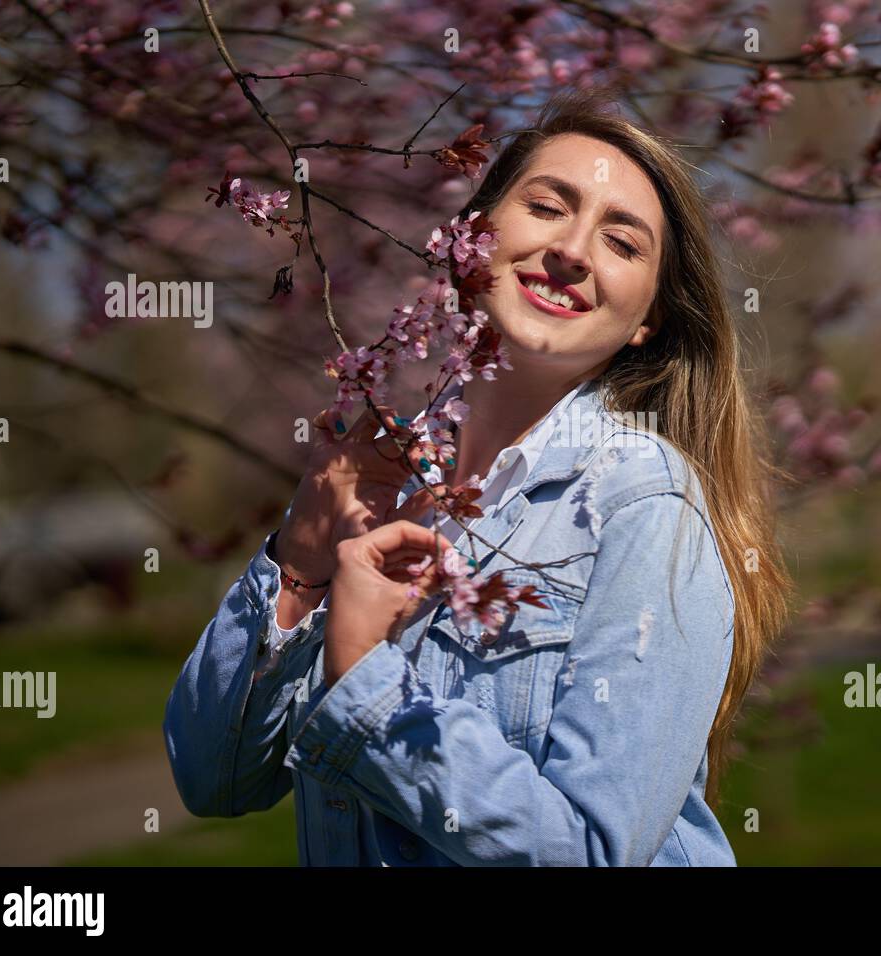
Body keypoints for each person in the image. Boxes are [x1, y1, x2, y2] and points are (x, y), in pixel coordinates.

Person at [163, 88, 792, 866]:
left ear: (645, 322)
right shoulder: (389, 481)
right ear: (473, 234)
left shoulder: (643, 503)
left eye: (622, 244)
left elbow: (596, 852)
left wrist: (365, 679)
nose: (573, 250)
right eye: (547, 205)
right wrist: (300, 566)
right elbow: (214, 782)